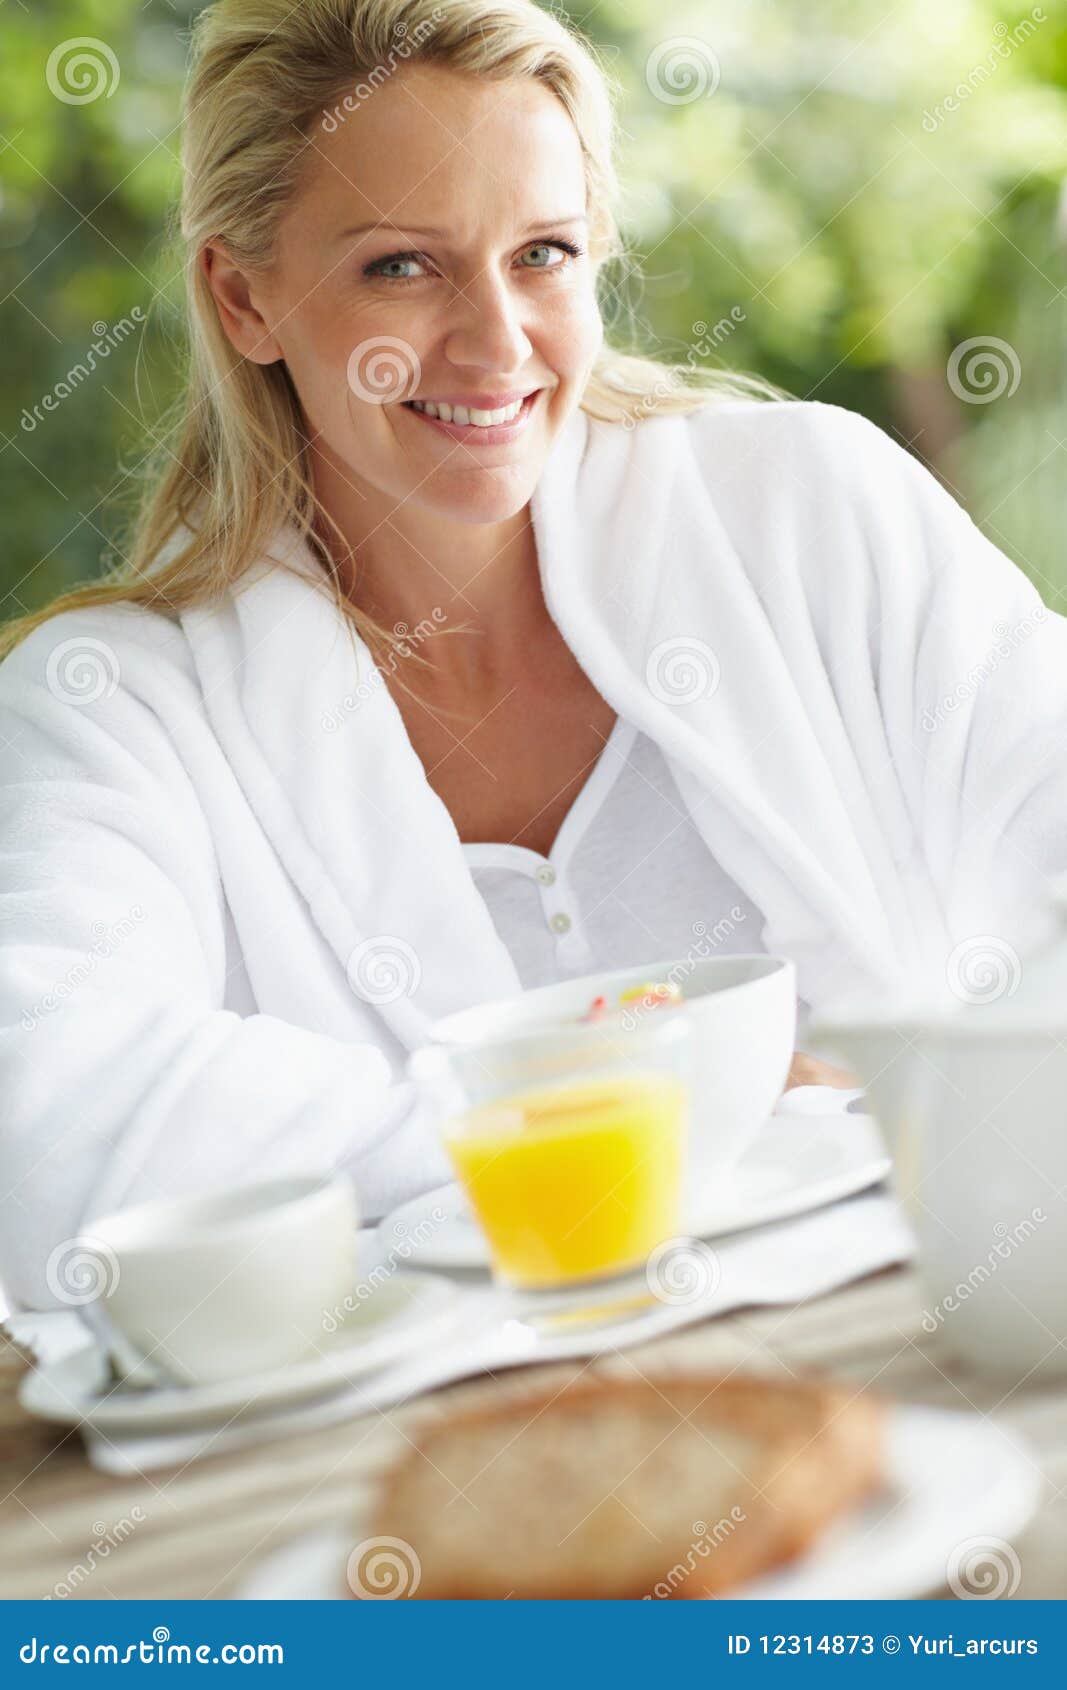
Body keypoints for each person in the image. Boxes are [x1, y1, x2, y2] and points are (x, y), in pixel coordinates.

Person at [1, 0, 1063, 1312]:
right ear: (245, 295)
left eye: (544, 253)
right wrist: (626, 1121)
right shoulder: (111, 708)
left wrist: (963, 1100)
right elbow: (39, 1121)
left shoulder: (810, 514)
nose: (496, 343)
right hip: (391, 1483)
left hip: (904, 1377)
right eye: (403, 265)